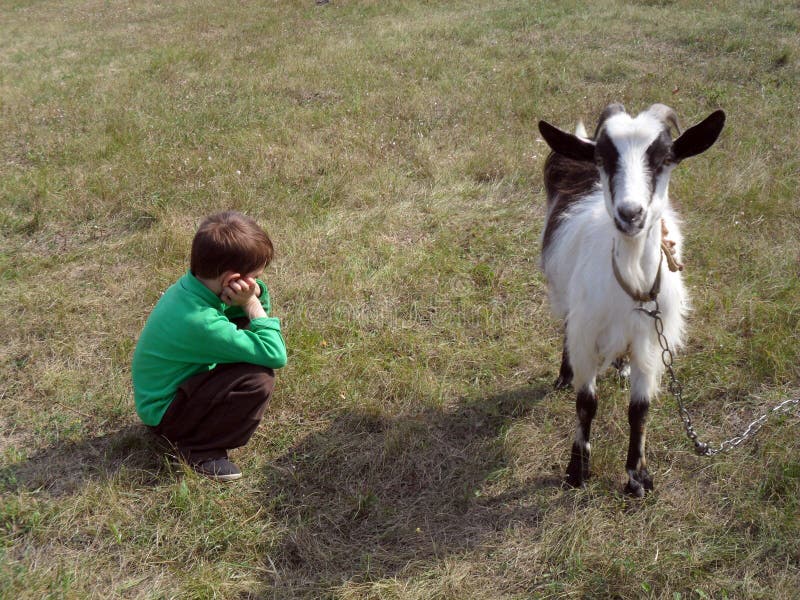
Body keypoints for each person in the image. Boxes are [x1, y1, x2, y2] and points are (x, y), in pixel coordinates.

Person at [132, 211, 287, 481]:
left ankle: (196, 433)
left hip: (172, 392)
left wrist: (255, 295)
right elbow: (275, 353)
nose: (257, 284)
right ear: (232, 280)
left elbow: (248, 327)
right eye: (256, 277)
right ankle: (199, 448)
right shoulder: (200, 322)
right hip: (165, 414)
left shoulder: (194, 288)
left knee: (246, 336)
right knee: (257, 381)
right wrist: (251, 303)